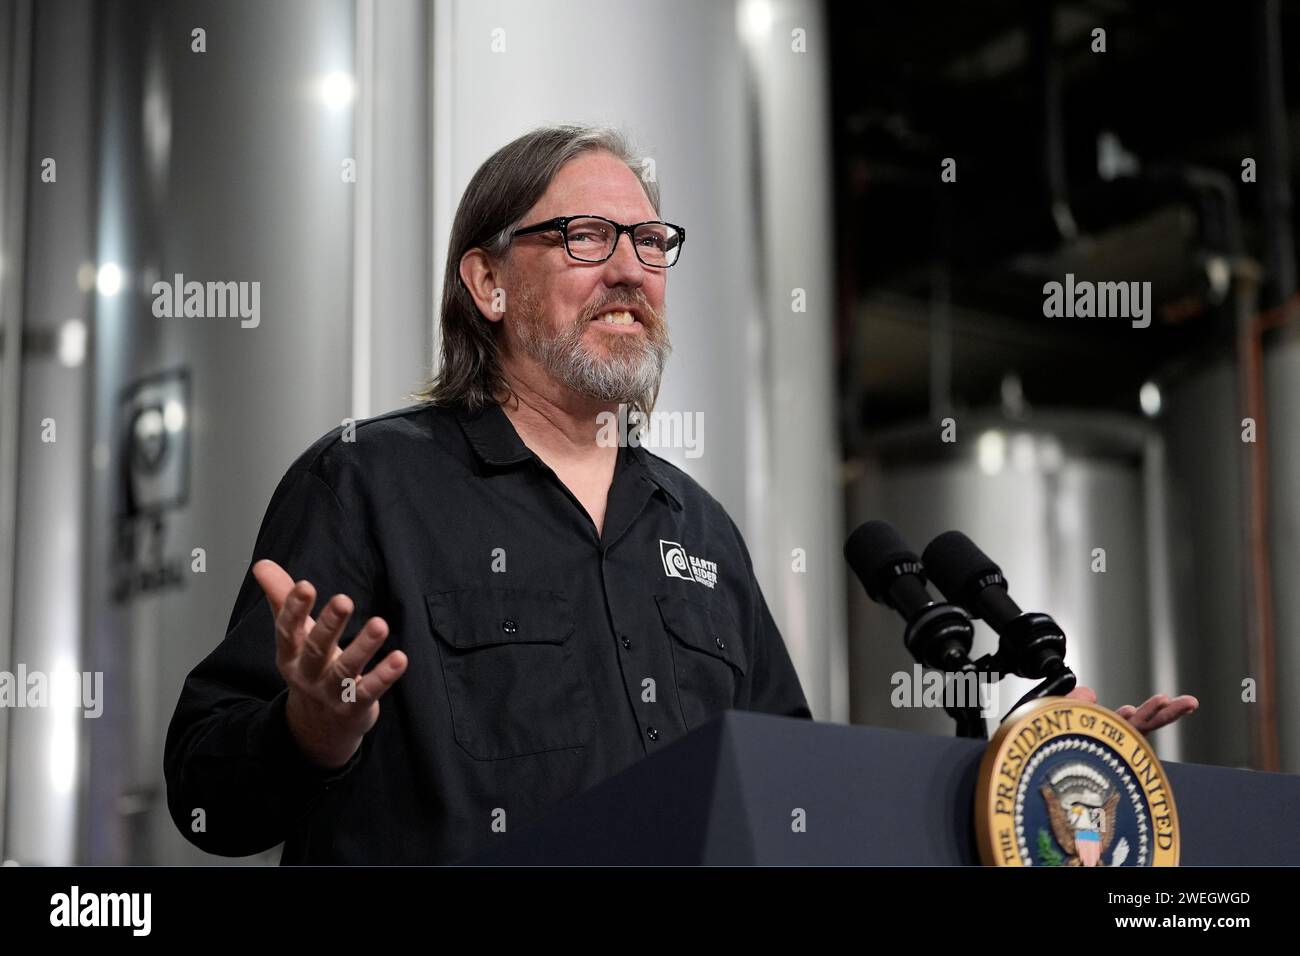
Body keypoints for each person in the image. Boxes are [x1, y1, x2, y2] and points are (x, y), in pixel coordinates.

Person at [163, 124, 1195, 866]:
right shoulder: (367, 481)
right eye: (584, 238)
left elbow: (797, 798)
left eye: (651, 244)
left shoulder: (700, 529)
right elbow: (204, 799)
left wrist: (1041, 769)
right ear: (485, 283)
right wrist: (314, 728)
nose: (629, 270)